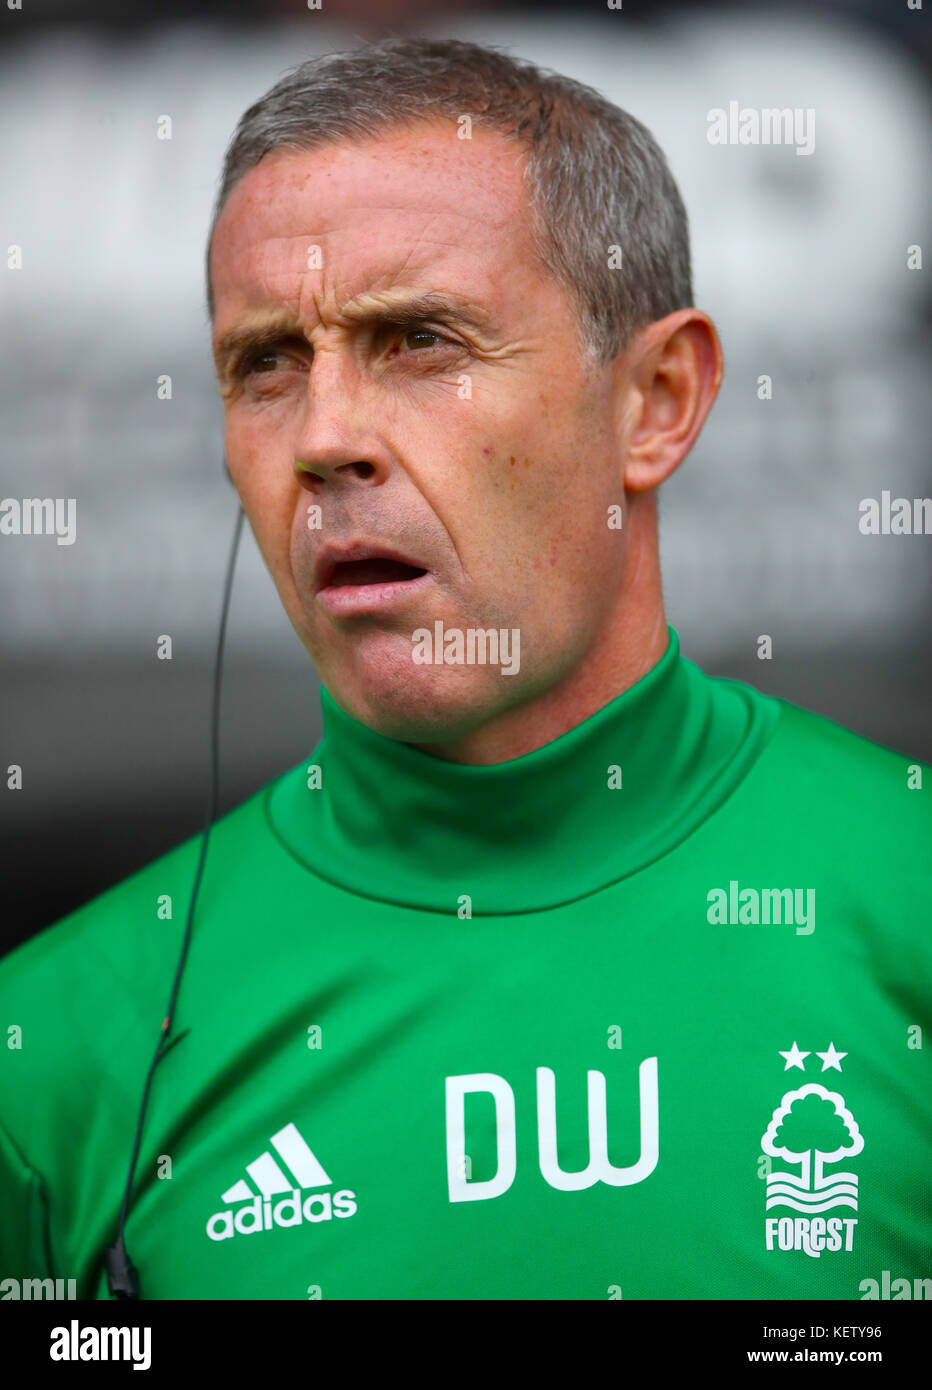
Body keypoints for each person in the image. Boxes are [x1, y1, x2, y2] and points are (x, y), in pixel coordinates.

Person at [1, 37, 928, 1302]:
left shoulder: (900, 893)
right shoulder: (53, 1043)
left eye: (419, 341)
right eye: (266, 362)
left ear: (655, 399)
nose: (324, 438)